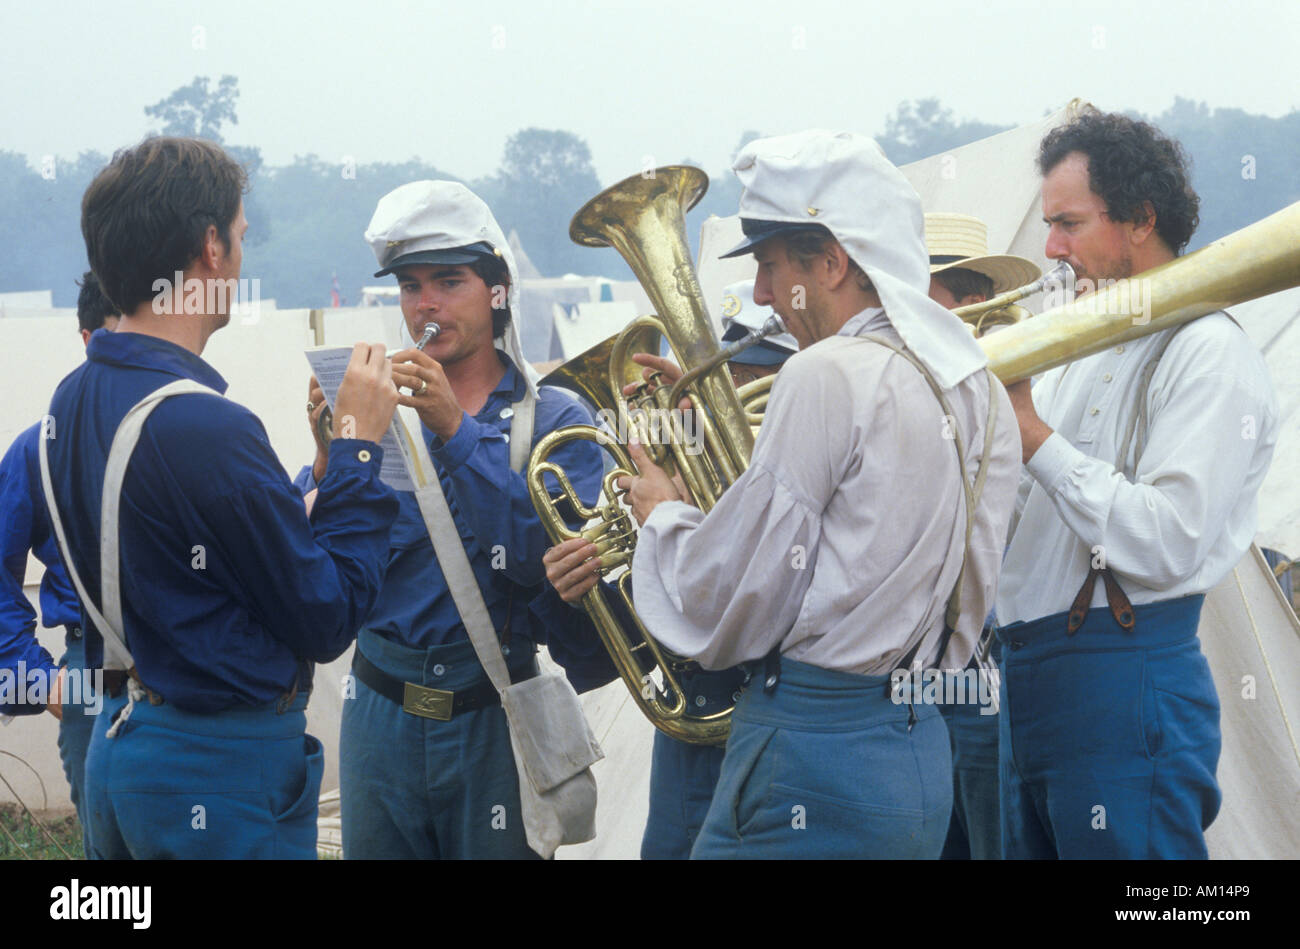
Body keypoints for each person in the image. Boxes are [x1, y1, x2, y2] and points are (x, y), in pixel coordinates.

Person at [617, 129, 1021, 859]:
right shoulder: (983, 389)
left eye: (771, 266)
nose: (764, 294)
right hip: (917, 748)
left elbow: (733, 599)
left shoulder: (824, 374)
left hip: (810, 749)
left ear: (832, 262)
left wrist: (663, 516)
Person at [43, 136, 401, 859]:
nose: (241, 255)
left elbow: (190, 557)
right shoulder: (205, 423)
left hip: (124, 742)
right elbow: (328, 614)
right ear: (210, 246)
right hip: (216, 771)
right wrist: (362, 444)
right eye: (239, 235)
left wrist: (324, 476)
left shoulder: (75, 395)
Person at [996, 109, 1279, 859]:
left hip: (1124, 683)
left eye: (1068, 224)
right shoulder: (1079, 343)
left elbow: (1166, 541)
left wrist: (1034, 437)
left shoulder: (1211, 353)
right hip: (1035, 679)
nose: (1051, 250)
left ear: (1141, 219)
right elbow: (1027, 524)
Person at [296, 180, 604, 860]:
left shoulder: (553, 417)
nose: (425, 305)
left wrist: (456, 431)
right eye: (410, 286)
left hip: (492, 709)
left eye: (447, 281)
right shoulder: (374, 407)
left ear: (498, 290)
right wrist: (328, 461)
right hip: (379, 710)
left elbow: (544, 560)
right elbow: (307, 568)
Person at [543, 279, 797, 860]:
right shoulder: (680, 461)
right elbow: (626, 644)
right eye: (725, 377)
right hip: (694, 728)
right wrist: (586, 586)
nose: (733, 395)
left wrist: (674, 515)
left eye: (753, 376)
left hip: (780, 724)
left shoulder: (811, 453)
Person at [922, 214, 1042, 861]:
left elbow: (1015, 526)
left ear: (973, 304)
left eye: (924, 296)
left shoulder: (1013, 393)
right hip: (911, 683)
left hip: (985, 674)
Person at [0, 272, 118, 849]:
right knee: (106, 843)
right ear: (86, 338)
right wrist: (35, 679)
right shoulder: (39, 449)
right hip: (88, 668)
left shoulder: (200, 432)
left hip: (190, 666)